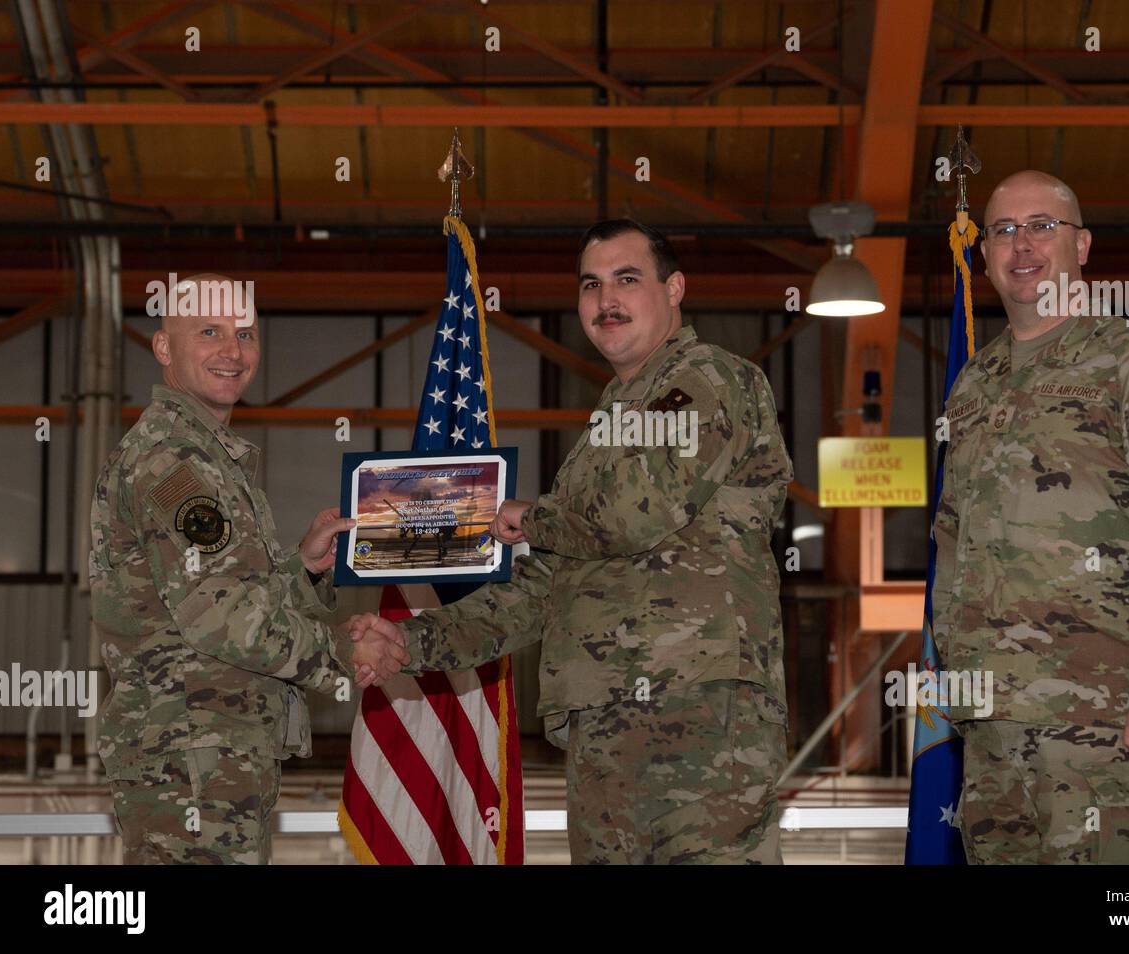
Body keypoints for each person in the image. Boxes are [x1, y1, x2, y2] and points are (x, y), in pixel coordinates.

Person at [347, 220, 794, 864]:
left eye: (626, 279)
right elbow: (541, 589)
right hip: (603, 721)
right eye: (590, 285)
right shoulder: (608, 426)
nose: (606, 299)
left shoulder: (709, 377)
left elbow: (636, 511)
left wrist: (531, 517)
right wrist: (410, 641)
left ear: (674, 289)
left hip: (698, 709)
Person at [930, 171, 1129, 864]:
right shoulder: (975, 386)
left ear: (1082, 246)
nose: (1022, 245)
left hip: (1105, 728)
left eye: (1042, 226)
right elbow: (952, 541)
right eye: (1004, 231)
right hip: (992, 735)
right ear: (984, 255)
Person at [89, 273, 406, 864]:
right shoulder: (173, 459)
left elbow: (218, 596)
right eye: (209, 332)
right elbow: (224, 620)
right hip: (191, 761)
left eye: (245, 334)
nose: (232, 351)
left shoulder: (206, 453)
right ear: (164, 347)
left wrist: (302, 568)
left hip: (209, 753)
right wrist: (343, 649)